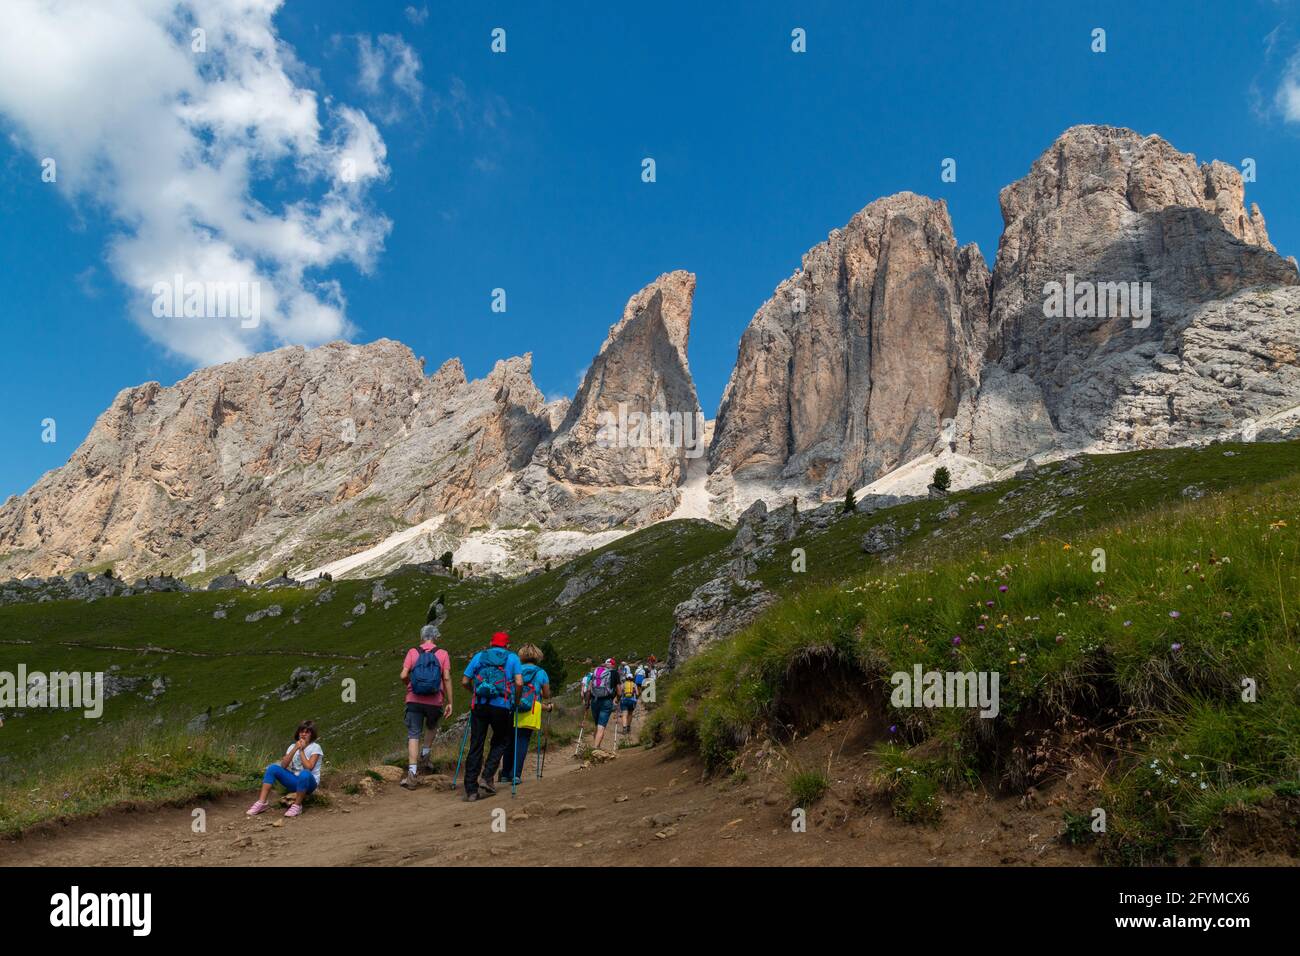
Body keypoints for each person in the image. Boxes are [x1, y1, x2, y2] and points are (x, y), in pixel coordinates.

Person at [460, 631, 522, 801]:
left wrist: (474, 691)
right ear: (507, 645)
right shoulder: (513, 658)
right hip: (501, 706)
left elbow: (465, 681)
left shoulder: (480, 656)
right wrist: (515, 701)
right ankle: (487, 777)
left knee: (476, 744)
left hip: (479, 705)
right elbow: (519, 682)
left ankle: (471, 789)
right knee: (501, 740)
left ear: (490, 643)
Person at [399, 623, 453, 789]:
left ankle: (412, 774)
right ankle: (426, 755)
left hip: (414, 699)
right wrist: (450, 702)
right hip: (434, 699)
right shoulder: (443, 654)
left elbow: (403, 675)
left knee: (414, 734)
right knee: (432, 726)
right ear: (435, 636)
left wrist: (411, 685)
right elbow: (446, 678)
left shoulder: (413, 652)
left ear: (422, 636)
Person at [247, 720, 323, 818]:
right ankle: (262, 803)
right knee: (272, 768)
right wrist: (295, 748)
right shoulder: (292, 746)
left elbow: (309, 767)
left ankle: (297, 806)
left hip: (309, 783)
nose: (303, 734)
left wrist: (301, 750)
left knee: (304, 773)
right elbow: (283, 765)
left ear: (312, 734)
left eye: (307, 732)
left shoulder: (315, 747)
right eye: (301, 731)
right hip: (294, 781)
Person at [503, 643, 553, 785]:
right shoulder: (541, 672)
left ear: (522, 656)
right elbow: (547, 694)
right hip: (530, 710)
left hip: (513, 707)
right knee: (522, 741)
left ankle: (505, 773)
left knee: (510, 740)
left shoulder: (515, 669)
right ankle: (516, 775)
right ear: (537, 657)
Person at [588, 658, 618, 750]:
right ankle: (596, 748)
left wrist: (587, 702)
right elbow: (620, 691)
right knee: (601, 726)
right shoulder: (614, 673)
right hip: (606, 701)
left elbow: (589, 688)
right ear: (613, 665)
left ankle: (597, 746)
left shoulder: (597, 671)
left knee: (597, 725)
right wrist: (618, 700)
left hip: (594, 701)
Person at [618, 666, 639, 736]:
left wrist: (618, 699)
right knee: (630, 714)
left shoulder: (623, 684)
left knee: (624, 714)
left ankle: (624, 728)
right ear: (632, 678)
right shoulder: (634, 684)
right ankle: (628, 727)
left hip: (624, 700)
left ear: (626, 678)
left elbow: (620, 693)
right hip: (632, 701)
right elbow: (637, 693)